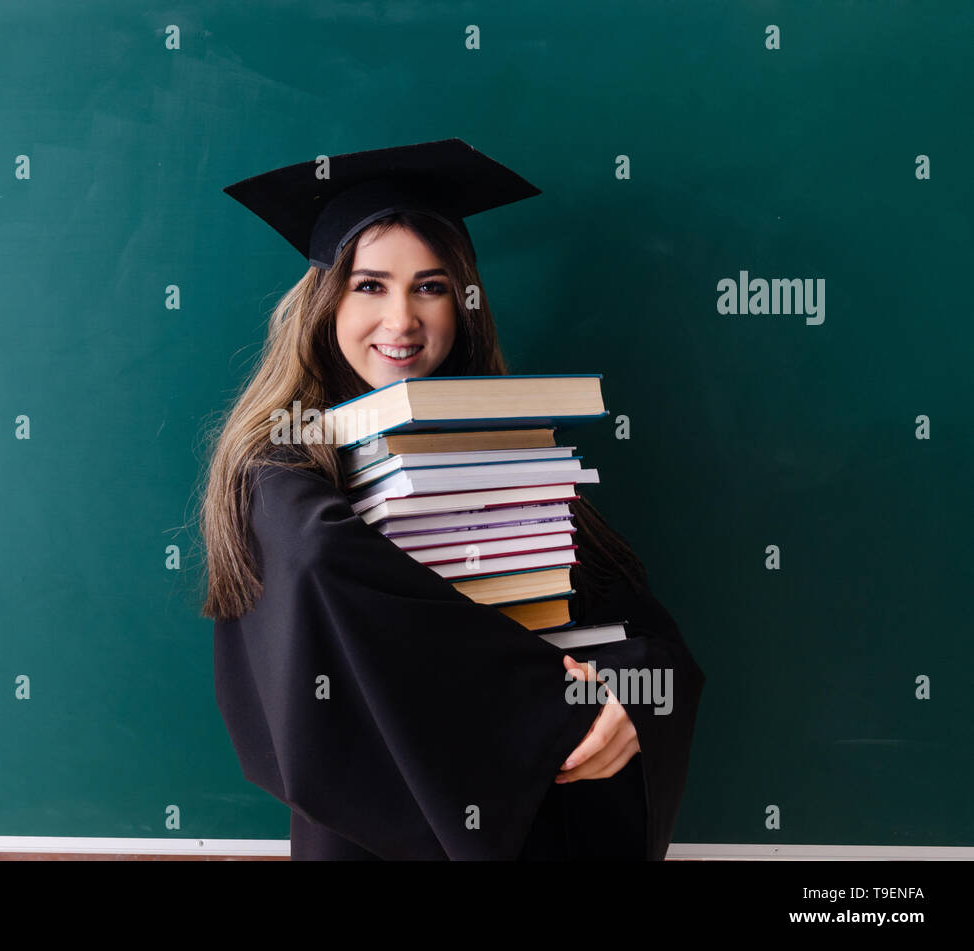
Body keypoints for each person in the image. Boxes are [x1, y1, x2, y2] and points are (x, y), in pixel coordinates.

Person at [199, 138, 705, 860]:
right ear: (324, 299)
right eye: (370, 285)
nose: (402, 320)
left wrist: (634, 692)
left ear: (464, 303)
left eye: (431, 286)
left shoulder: (507, 453)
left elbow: (629, 618)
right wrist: (557, 702)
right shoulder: (280, 472)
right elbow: (327, 574)